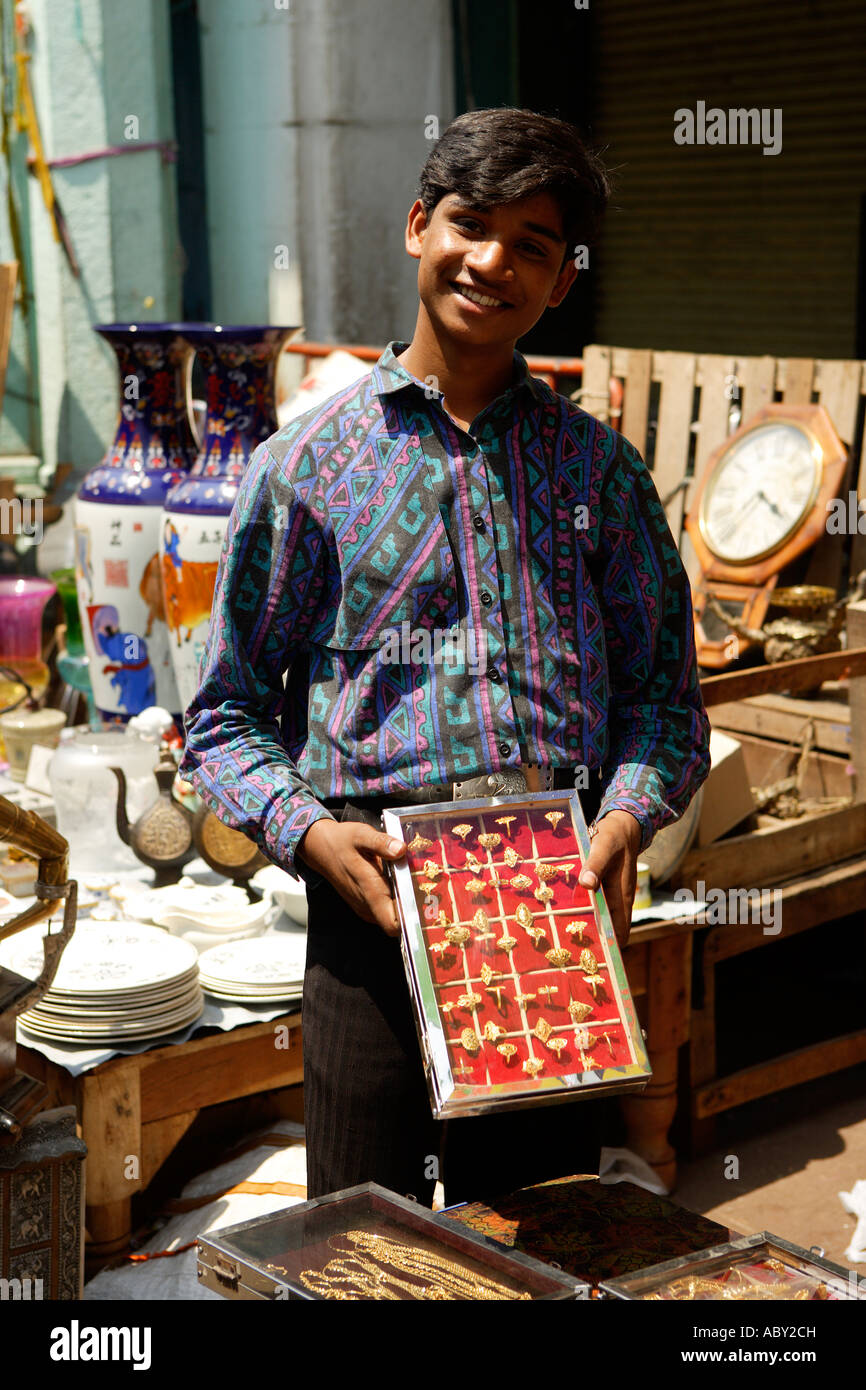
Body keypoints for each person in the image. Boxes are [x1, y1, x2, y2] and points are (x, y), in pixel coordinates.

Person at [181, 108, 711, 1207]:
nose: (492, 262)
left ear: (562, 280)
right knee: (361, 1250)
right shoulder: (307, 471)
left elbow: (666, 705)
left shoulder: (600, 479)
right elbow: (225, 717)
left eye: (532, 244)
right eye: (471, 223)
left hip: (545, 921)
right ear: (418, 225)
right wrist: (312, 833)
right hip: (371, 916)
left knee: (545, 1241)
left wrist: (619, 822)